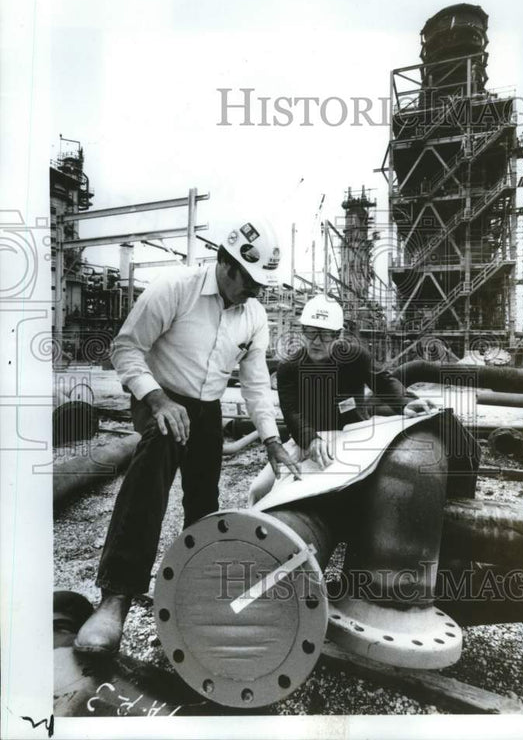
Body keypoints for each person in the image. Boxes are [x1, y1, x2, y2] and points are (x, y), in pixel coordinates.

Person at [74, 221, 300, 655]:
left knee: (204, 499)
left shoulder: (253, 315)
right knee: (151, 475)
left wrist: (272, 441)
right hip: (159, 396)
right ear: (226, 264)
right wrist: (158, 400)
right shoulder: (175, 288)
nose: (256, 291)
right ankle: (117, 596)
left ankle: (196, 588)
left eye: (261, 284)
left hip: (207, 407)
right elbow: (126, 348)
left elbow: (255, 384)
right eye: (250, 281)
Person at [248, 294, 436, 505]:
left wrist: (406, 402)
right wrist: (310, 439)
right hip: (308, 439)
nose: (316, 341)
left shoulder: (355, 357)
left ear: (338, 335)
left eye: (325, 335)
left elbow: (382, 381)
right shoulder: (289, 368)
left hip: (352, 435)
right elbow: (292, 412)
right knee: (258, 490)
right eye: (310, 332)